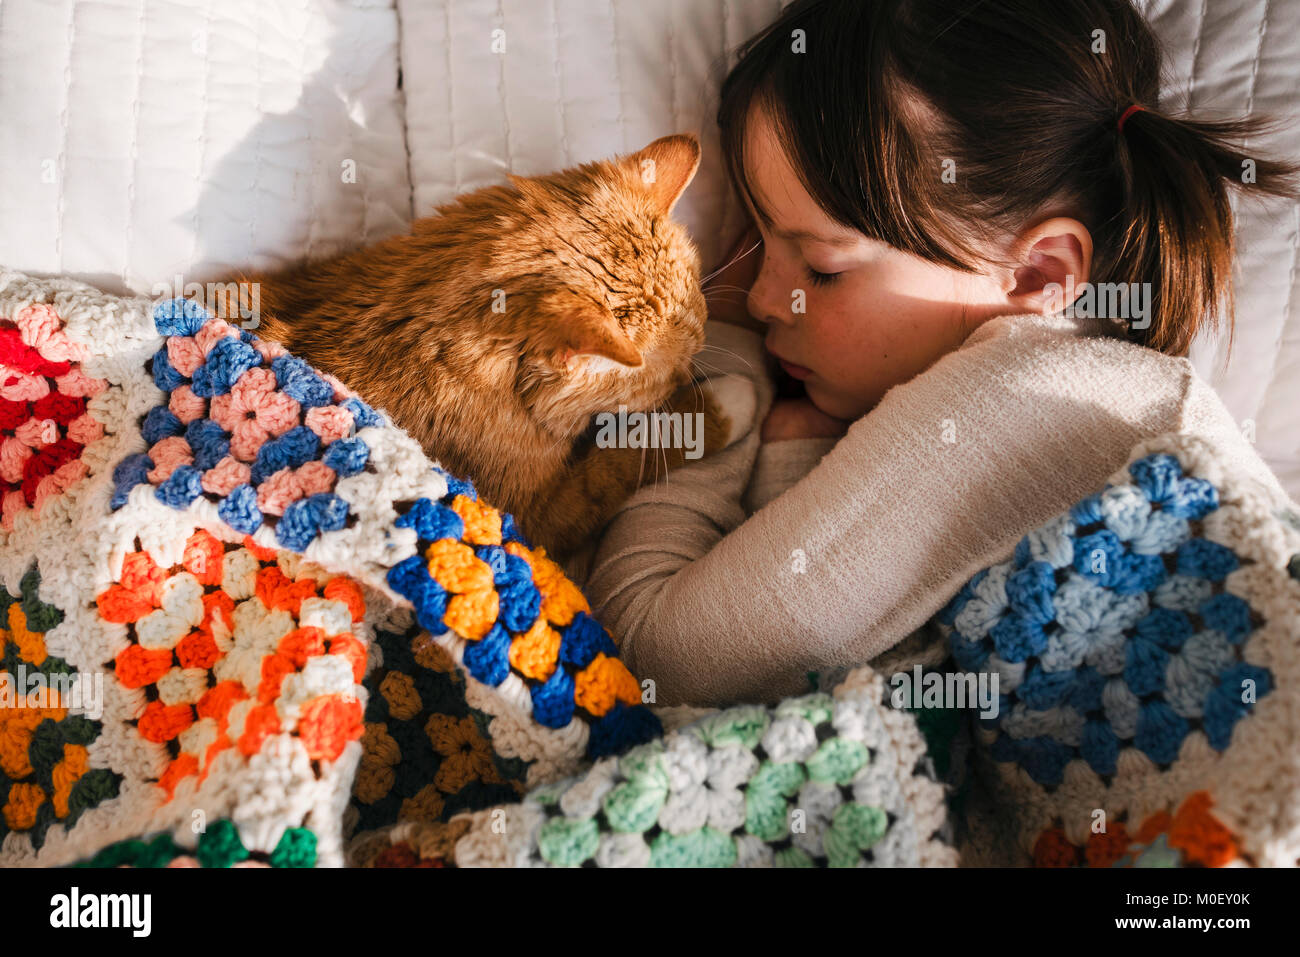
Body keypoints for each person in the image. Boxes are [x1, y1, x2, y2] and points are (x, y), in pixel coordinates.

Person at [579, 0, 1298, 708]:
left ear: (1039, 275)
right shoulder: (1072, 395)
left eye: (821, 266)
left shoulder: (1033, 399)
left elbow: (653, 649)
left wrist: (719, 375)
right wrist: (797, 460)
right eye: (756, 240)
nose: (763, 296)